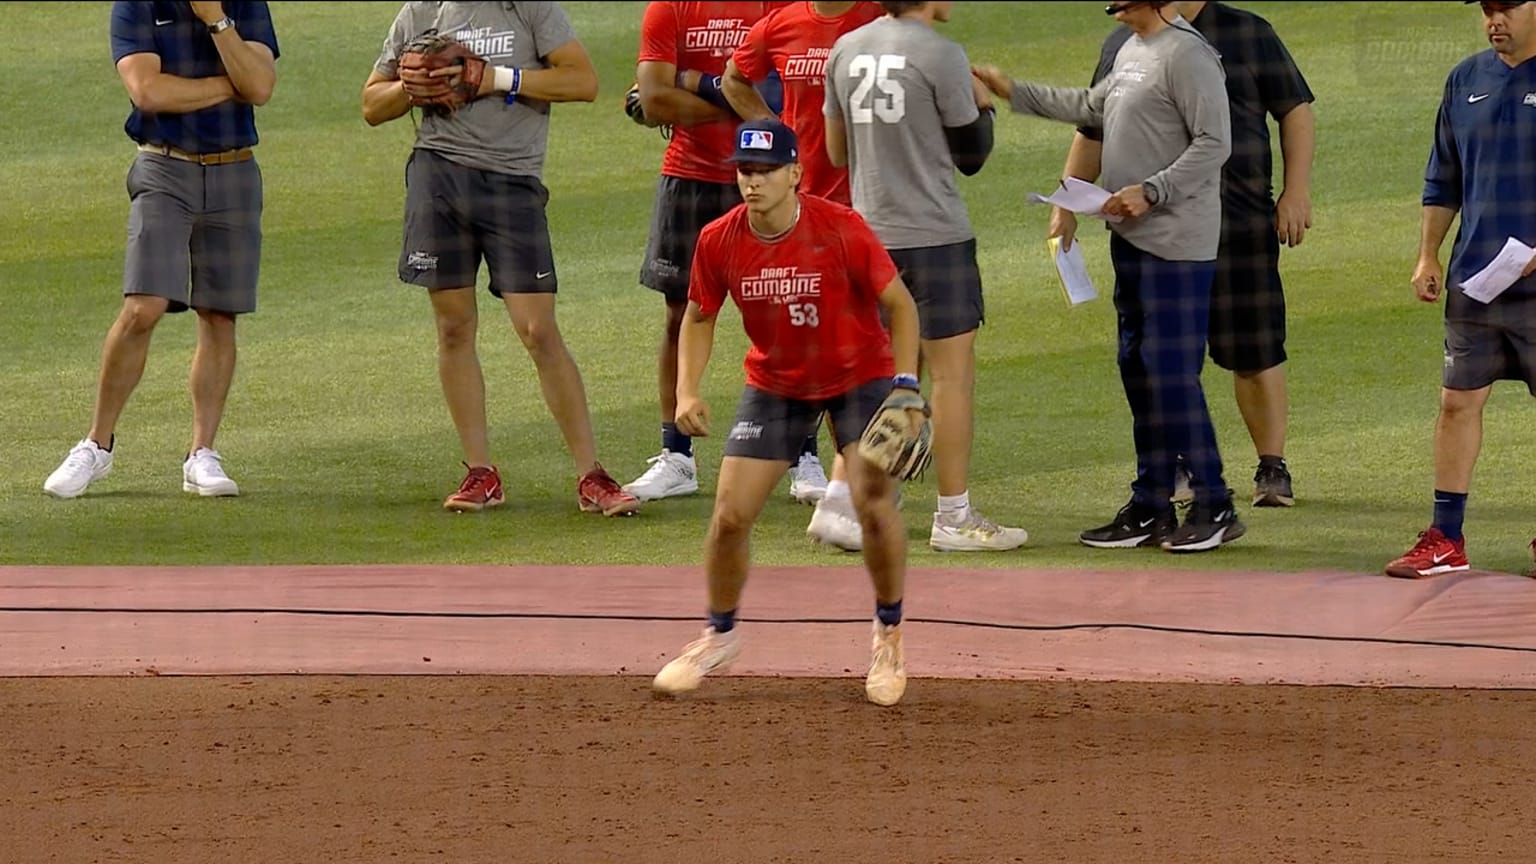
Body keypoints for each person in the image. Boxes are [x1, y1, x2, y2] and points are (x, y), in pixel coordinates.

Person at [651, 118, 923, 707]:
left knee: (873, 504)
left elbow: (899, 306)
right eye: (745, 171)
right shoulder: (719, 238)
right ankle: (720, 634)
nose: (753, 183)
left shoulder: (841, 229)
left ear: (795, 173)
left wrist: (905, 387)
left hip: (860, 376)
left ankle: (889, 632)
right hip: (777, 383)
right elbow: (698, 316)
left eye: (766, 171)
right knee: (728, 517)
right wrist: (687, 391)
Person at [973, 0, 1246, 553]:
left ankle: (1215, 502)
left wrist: (1152, 189)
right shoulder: (1131, 49)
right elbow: (1091, 106)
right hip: (1131, 240)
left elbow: (1215, 142)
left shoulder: (1188, 54)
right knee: (1138, 368)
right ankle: (1151, 502)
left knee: (1169, 373)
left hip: (1177, 246)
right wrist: (1013, 91)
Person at [361, 2, 640, 517]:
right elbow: (371, 105)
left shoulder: (530, 8)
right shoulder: (420, 12)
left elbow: (582, 81)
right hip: (438, 175)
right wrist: (411, 88)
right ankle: (481, 473)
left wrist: (495, 78)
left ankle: (592, 474)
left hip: (513, 181)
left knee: (537, 329)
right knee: (453, 327)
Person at [1060, 0, 1315, 510]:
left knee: (1254, 348)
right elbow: (1093, 126)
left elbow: (1294, 108)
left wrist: (1296, 190)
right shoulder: (1124, 43)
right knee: (1161, 353)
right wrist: (1067, 196)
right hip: (1156, 231)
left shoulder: (1246, 33)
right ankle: (1173, 464)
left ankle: (1272, 465)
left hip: (1238, 220)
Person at [45, 2, 279, 500]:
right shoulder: (137, 5)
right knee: (143, 306)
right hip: (163, 168)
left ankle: (202, 453)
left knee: (220, 314)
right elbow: (148, 91)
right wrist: (228, 85)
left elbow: (260, 86)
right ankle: (96, 444)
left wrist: (216, 19)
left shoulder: (243, 4)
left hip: (235, 169)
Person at [823, 0, 1030, 552]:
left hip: (867, 238)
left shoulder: (846, 48)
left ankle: (843, 504)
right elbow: (973, 155)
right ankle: (953, 516)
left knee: (888, 374)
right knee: (951, 378)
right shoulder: (942, 55)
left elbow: (836, 152)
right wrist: (983, 104)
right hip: (934, 239)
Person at [623, 2, 832, 507]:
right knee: (681, 314)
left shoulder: (779, 7)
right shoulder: (669, 8)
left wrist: (694, 82)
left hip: (773, 181)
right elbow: (652, 101)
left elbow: (792, 92)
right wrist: (738, 100)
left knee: (794, 310)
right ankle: (676, 455)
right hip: (690, 177)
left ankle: (803, 455)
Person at [722, 0, 884, 551]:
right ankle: (845, 491)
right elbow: (736, 76)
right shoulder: (782, 23)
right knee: (841, 348)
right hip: (808, 207)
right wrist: (775, 134)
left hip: (866, 202)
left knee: (865, 344)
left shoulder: (877, 15)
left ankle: (847, 485)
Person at [1386, 0, 1536, 580]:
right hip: (1477, 279)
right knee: (1457, 403)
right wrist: (1428, 253)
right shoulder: (1465, 79)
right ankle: (1446, 538)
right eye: (1488, 10)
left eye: (1508, 8)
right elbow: (1442, 175)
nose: (1495, 19)